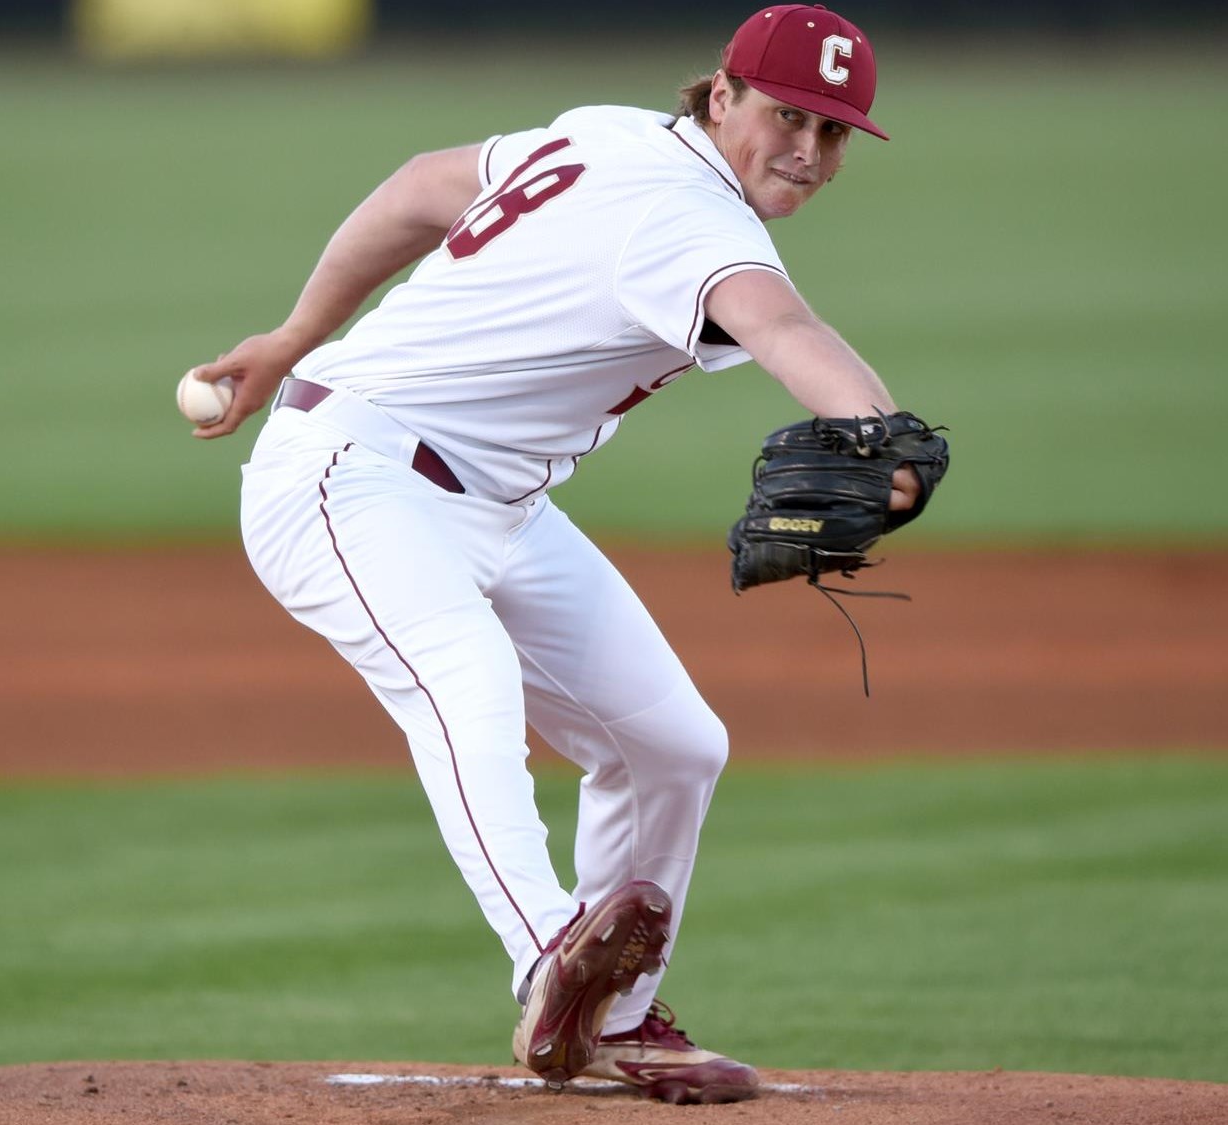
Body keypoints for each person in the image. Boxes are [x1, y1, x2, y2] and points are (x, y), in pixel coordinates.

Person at [181, 3, 925, 1105]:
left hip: (499, 503)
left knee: (673, 745)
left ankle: (612, 1022)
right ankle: (550, 962)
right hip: (350, 478)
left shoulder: (604, 133)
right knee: (464, 678)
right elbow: (783, 329)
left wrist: (295, 333)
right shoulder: (692, 218)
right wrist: (883, 433)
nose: (808, 151)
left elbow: (421, 187)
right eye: (788, 116)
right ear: (721, 96)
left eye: (833, 133)